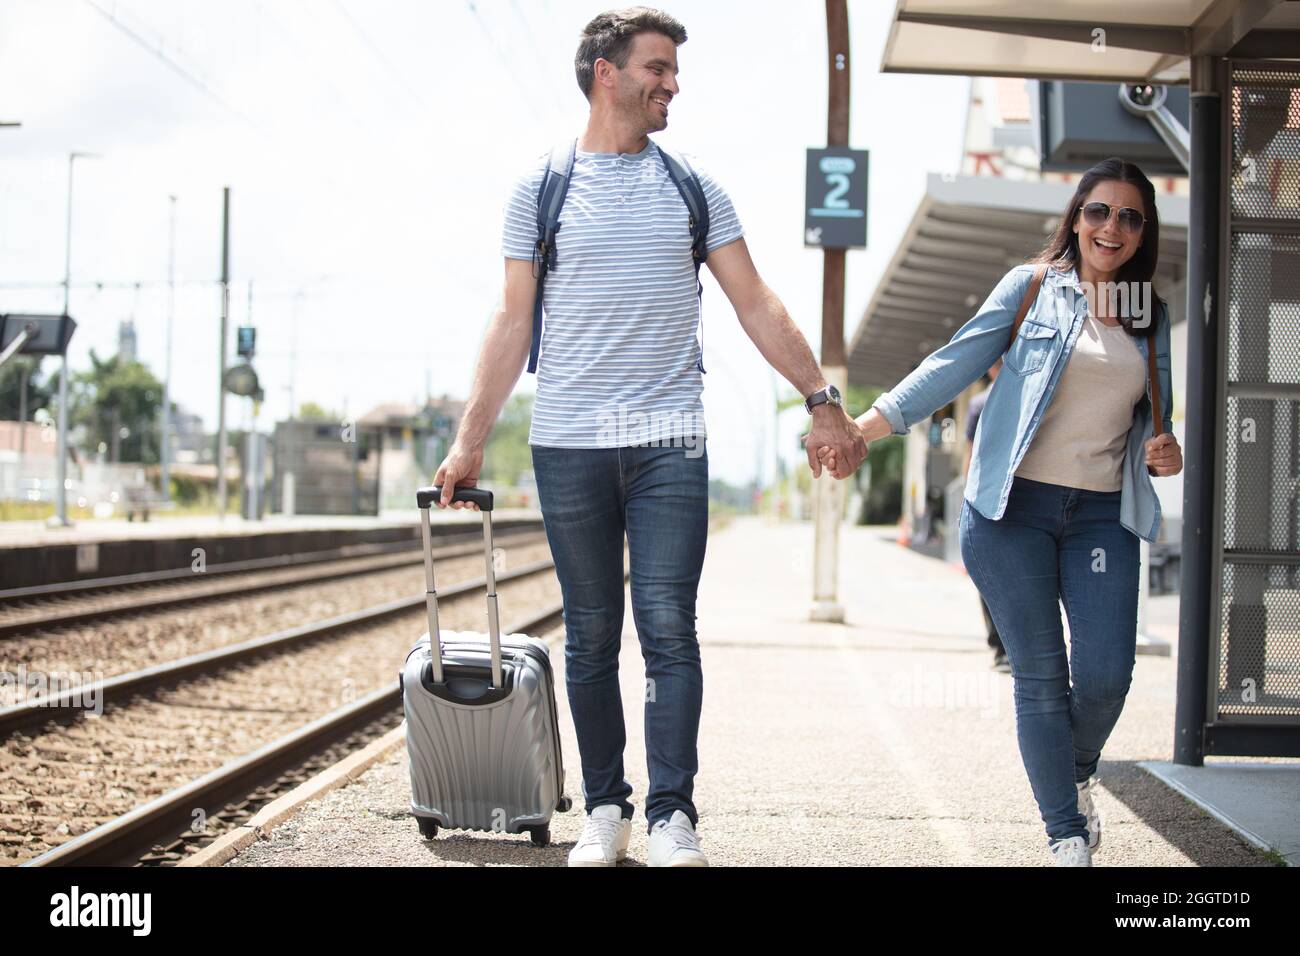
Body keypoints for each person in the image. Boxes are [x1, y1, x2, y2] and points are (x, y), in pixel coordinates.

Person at [432, 6, 865, 868]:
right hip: (569, 443)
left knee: (668, 628)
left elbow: (755, 301)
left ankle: (672, 815)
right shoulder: (542, 189)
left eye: (673, 70)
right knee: (592, 633)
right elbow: (512, 322)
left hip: (671, 441)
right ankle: (606, 809)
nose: (673, 84)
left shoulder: (694, 188)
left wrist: (820, 397)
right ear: (607, 72)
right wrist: (469, 439)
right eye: (657, 68)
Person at [824, 157, 1182, 866]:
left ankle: (1073, 770)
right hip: (1010, 511)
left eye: (1129, 216)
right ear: (1076, 218)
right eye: (1098, 211)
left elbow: (1158, 414)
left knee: (1107, 676)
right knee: (1041, 678)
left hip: (1101, 516)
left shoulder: (1150, 316)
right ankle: (1065, 834)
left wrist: (1165, 449)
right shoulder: (1031, 288)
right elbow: (953, 364)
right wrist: (863, 427)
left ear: (1144, 232)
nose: (1111, 227)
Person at [963, 359, 1009, 672]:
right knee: (989, 575)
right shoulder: (979, 404)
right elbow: (970, 453)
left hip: (1022, 492)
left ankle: (1018, 648)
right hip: (989, 494)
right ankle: (1000, 648)